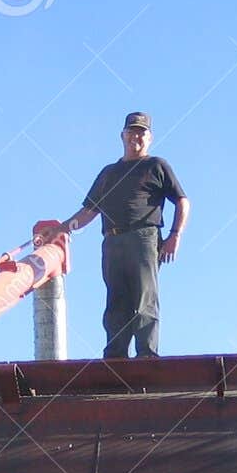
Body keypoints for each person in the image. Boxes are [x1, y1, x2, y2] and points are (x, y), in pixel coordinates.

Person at [39, 112, 189, 358]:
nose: (136, 137)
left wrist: (175, 235)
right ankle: (116, 356)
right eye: (131, 131)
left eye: (141, 132)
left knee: (144, 298)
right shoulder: (109, 173)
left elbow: (183, 201)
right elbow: (88, 212)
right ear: (122, 135)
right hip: (112, 240)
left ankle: (147, 356)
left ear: (149, 137)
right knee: (116, 300)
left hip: (144, 238)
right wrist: (60, 229)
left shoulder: (156, 166)